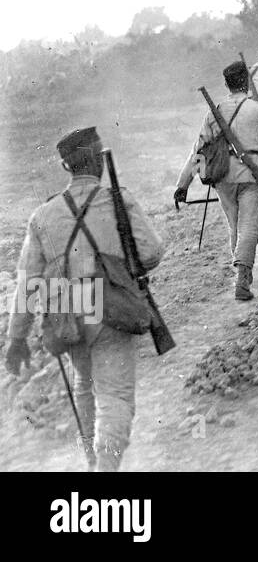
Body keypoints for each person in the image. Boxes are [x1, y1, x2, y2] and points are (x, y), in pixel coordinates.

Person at [5, 126, 166, 471]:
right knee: (115, 396)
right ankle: (104, 470)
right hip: (109, 306)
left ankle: (93, 462)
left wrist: (16, 338)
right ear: (97, 159)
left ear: (67, 168)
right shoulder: (117, 199)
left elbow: (28, 282)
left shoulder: (42, 215)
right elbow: (151, 253)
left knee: (85, 385)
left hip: (66, 311)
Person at [174, 60, 258, 299]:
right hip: (251, 176)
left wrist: (182, 185)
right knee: (249, 228)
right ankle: (242, 278)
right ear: (247, 82)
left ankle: (241, 272)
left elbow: (198, 152)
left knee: (235, 226)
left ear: (226, 84)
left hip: (222, 177)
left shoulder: (214, 112)